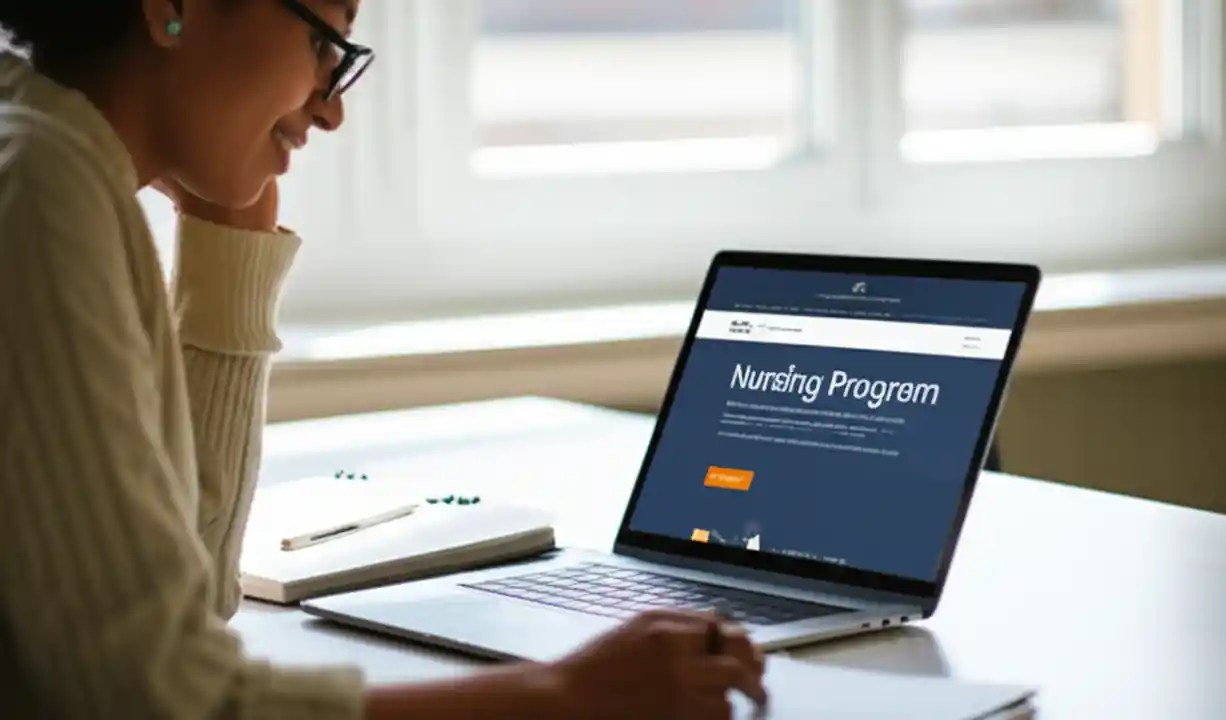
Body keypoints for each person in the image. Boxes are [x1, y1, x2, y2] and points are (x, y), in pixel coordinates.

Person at [0, 1, 767, 717]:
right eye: (321, 41)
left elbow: (183, 603)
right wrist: (562, 693)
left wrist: (229, 242)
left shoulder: (56, 162)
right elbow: (154, 695)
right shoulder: (41, 185)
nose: (331, 109)